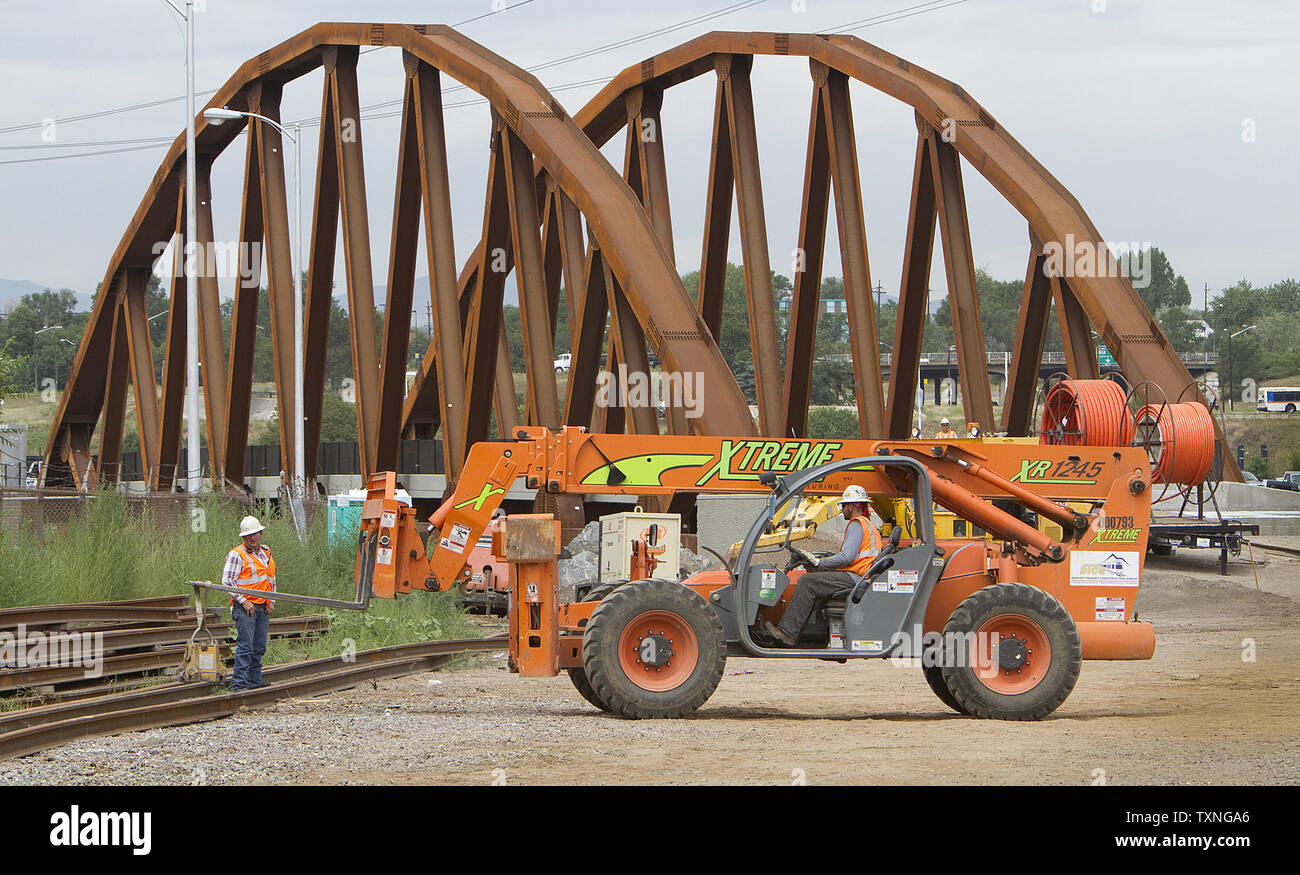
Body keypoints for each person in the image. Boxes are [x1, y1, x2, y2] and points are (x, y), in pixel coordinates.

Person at [760, 485, 883, 647]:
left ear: (852, 506)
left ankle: (787, 633)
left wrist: (819, 562)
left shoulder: (856, 524)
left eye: (844, 506)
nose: (842, 510)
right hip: (861, 576)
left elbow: (847, 557)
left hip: (857, 577)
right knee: (816, 581)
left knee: (807, 582)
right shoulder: (867, 525)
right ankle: (809, 636)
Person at [223, 515, 276, 691]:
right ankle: (240, 686)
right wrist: (244, 601)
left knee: (259, 646)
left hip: (262, 606)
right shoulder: (236, 555)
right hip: (245, 608)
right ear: (244, 537)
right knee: (246, 647)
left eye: (255, 534)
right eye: (248, 535)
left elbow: (270, 579)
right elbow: (227, 581)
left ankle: (254, 682)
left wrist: (271, 600)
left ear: (260, 533)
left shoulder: (266, 553)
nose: (252, 538)